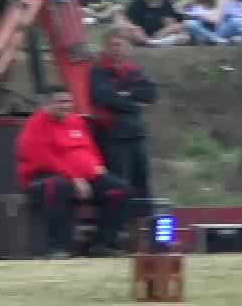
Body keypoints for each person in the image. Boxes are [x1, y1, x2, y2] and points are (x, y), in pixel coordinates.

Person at [16, 86, 131, 259]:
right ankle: (57, 248)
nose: (67, 105)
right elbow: (43, 159)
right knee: (57, 186)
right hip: (44, 177)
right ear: (47, 104)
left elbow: (90, 148)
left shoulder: (76, 121)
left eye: (69, 101)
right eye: (61, 102)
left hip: (84, 178)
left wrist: (98, 167)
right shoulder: (36, 124)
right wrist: (73, 177)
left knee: (119, 190)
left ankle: (104, 244)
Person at [89, 31, 159, 201]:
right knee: (121, 181)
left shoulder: (135, 70)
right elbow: (104, 97)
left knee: (142, 178)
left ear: (128, 48)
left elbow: (150, 94)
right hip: (114, 136)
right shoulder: (99, 71)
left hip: (137, 134)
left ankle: (142, 217)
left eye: (120, 45)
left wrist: (123, 95)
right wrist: (133, 102)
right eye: (113, 45)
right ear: (106, 48)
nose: (117, 49)